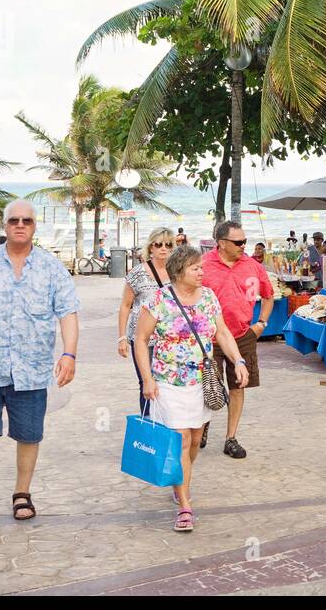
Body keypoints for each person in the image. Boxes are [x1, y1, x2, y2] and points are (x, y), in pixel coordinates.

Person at [0, 199, 79, 532]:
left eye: (27, 220)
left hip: (32, 368)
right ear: (5, 225)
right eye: (13, 221)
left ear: (35, 226)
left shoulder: (52, 268)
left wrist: (69, 354)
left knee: (29, 435)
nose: (20, 225)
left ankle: (22, 492)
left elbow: (67, 313)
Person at [134, 244, 249, 531]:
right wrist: (147, 379)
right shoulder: (158, 300)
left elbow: (221, 332)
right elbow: (140, 338)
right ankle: (185, 505)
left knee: (196, 439)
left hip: (201, 381)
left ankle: (180, 479)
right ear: (178, 271)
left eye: (201, 267)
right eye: (195, 268)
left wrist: (238, 360)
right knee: (181, 440)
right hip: (168, 383)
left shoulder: (208, 297)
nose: (202, 272)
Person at [201, 221, 273, 459]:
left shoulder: (253, 266)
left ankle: (230, 438)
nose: (244, 246)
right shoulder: (202, 265)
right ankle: (201, 426)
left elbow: (268, 295)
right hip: (209, 337)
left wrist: (261, 324)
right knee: (208, 386)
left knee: (238, 386)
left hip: (243, 335)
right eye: (238, 242)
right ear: (221, 243)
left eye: (245, 241)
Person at [117, 227, 174, 412]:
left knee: (169, 383)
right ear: (151, 247)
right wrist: (122, 337)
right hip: (143, 338)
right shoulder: (137, 273)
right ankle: (150, 426)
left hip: (170, 338)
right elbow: (126, 305)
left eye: (168, 244)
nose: (163, 248)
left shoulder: (179, 272)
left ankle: (168, 424)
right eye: (158, 244)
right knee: (146, 382)